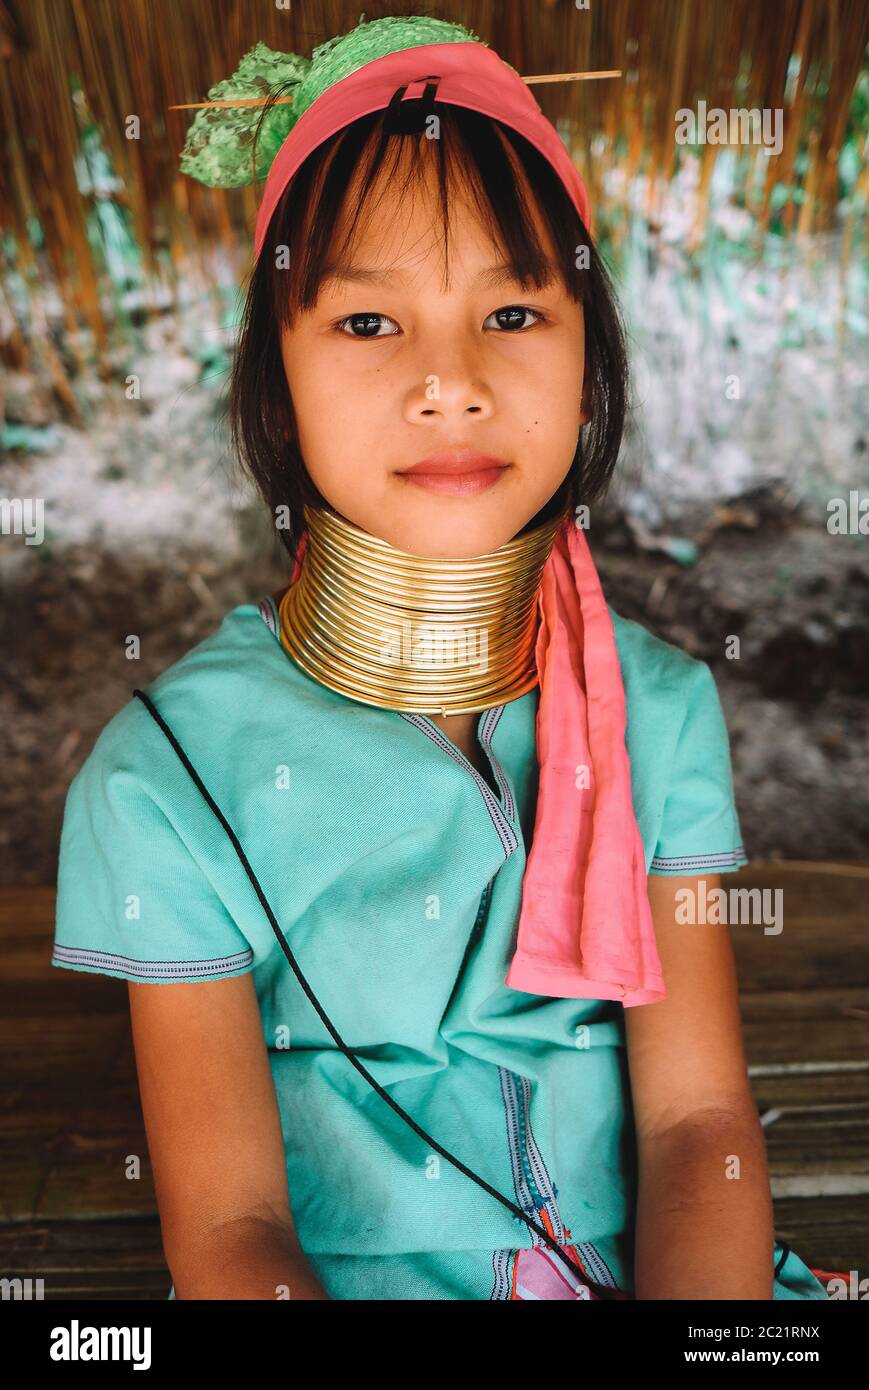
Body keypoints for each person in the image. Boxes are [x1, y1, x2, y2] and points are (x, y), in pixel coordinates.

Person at [52, 15, 831, 1301]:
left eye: (512, 311)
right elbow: (233, 1227)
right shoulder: (167, 780)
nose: (449, 383)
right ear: (275, 382)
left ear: (588, 359)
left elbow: (695, 1126)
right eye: (367, 321)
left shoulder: (657, 710)